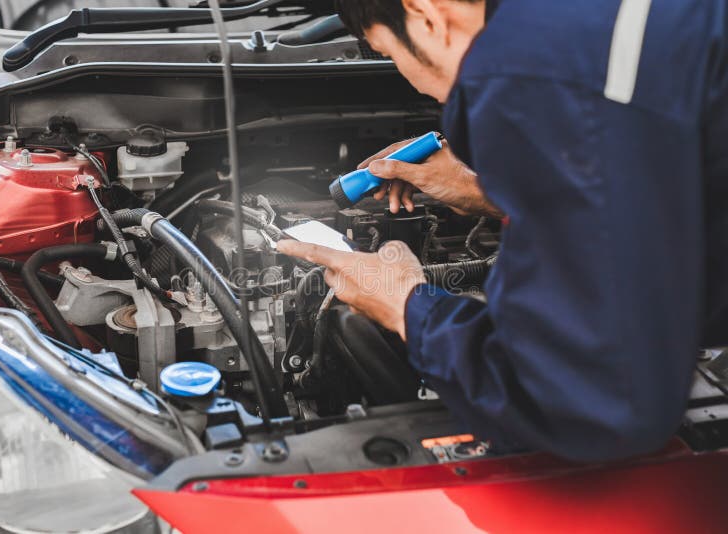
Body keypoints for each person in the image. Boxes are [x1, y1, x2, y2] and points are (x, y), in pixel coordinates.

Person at [277, 0, 728, 462]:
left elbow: (593, 401)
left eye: (388, 52)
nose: (404, 75)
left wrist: (406, 306)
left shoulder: (554, 86)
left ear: (426, 11)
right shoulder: (605, 26)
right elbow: (659, 192)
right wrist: (487, 191)